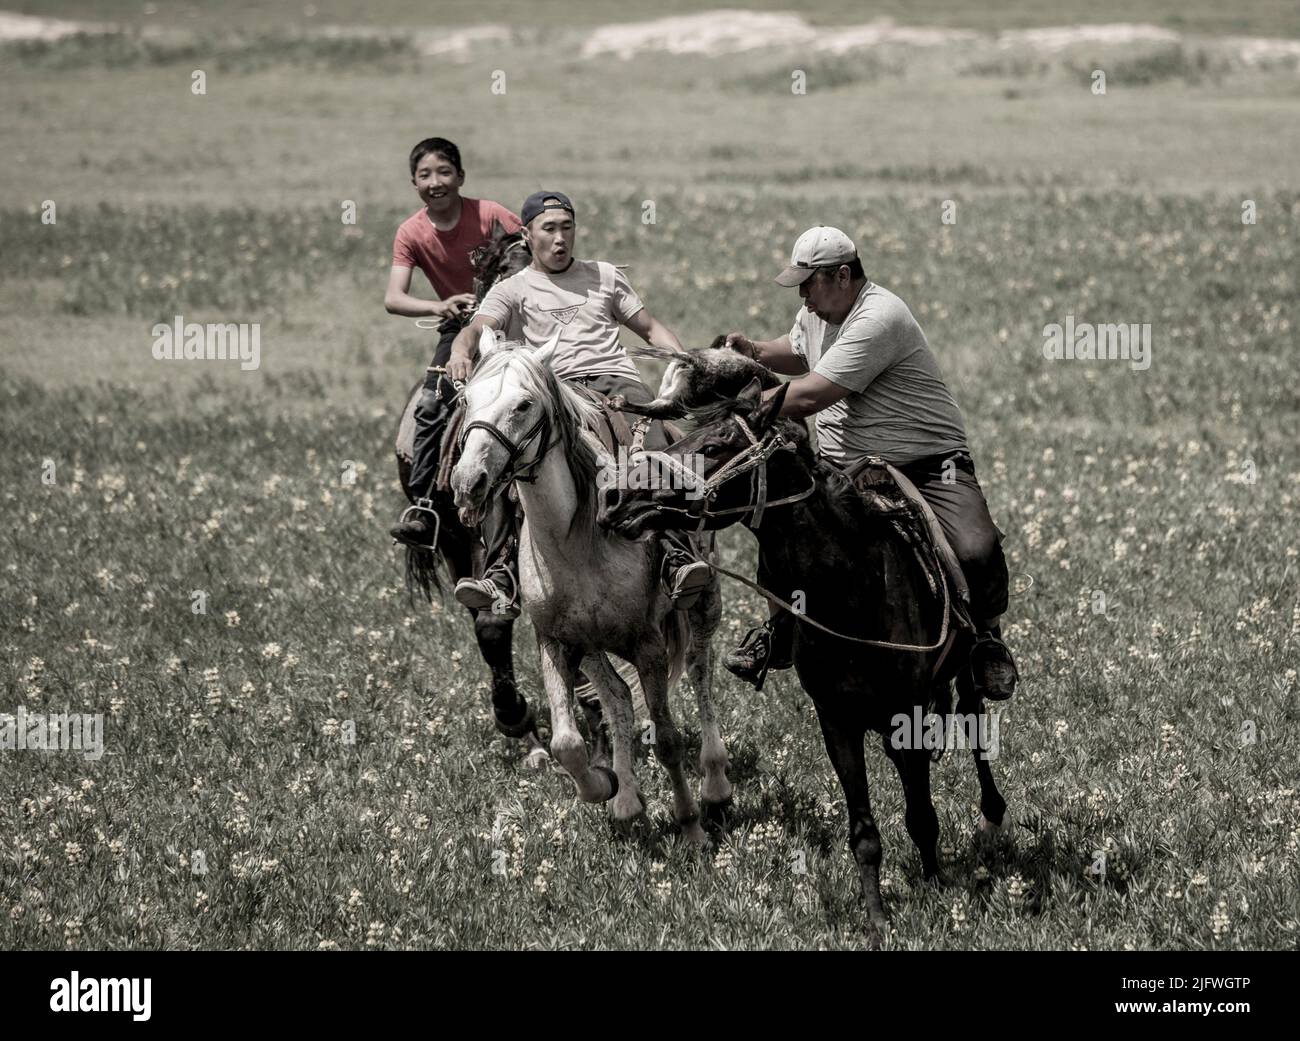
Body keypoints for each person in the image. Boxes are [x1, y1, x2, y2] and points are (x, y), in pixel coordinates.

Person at [723, 225, 1019, 700]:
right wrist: (755, 351)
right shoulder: (817, 311)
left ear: (843, 275)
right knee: (782, 526)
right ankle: (779, 630)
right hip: (848, 469)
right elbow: (800, 352)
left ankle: (987, 640)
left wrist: (744, 399)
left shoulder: (879, 317)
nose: (802, 294)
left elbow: (814, 393)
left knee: (976, 548)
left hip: (927, 462)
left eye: (808, 281)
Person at [445, 190, 713, 617]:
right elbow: (477, 329)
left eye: (566, 228)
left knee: (654, 448)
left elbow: (649, 328)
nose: (559, 239)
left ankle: (676, 556)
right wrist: (461, 353)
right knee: (500, 459)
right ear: (527, 234)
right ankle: (501, 572)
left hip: (617, 382)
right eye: (548, 229)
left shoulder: (604, 276)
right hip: (558, 390)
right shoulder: (511, 288)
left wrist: (683, 363)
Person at [385, 136, 521, 547]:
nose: (436, 181)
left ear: (461, 176)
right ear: (414, 182)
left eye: (444, 171)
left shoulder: (493, 215)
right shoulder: (411, 232)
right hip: (457, 326)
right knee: (430, 404)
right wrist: (439, 305)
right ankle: (426, 505)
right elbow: (393, 299)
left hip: (511, 323)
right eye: (425, 174)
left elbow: (533, 253)